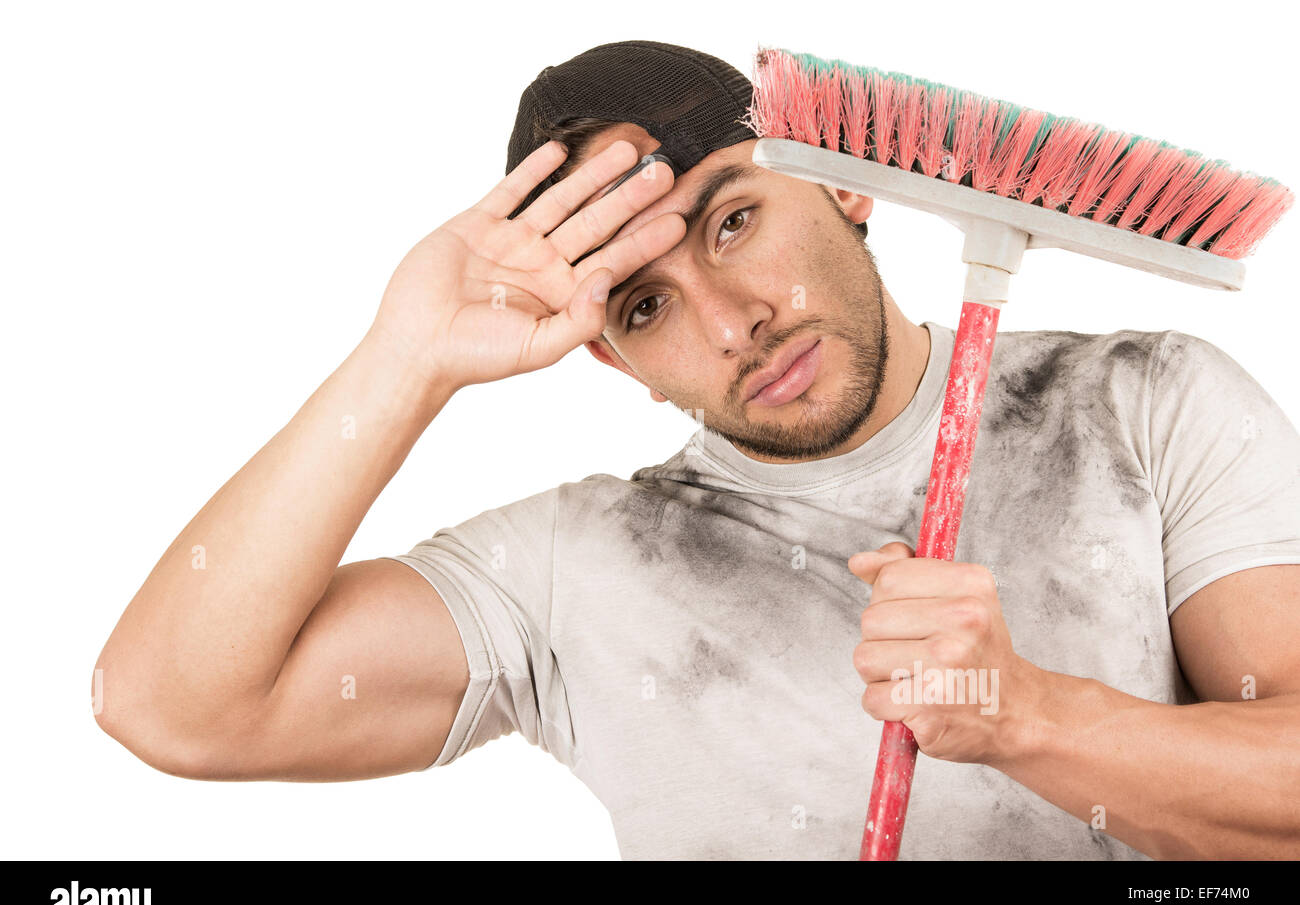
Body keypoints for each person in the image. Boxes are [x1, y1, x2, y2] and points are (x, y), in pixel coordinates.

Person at [93, 40, 1300, 860]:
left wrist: (1025, 713)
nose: (731, 324)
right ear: (609, 359)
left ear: (846, 187)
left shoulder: (1142, 404)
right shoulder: (574, 567)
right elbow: (172, 709)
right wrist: (401, 360)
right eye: (642, 305)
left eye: (734, 220)